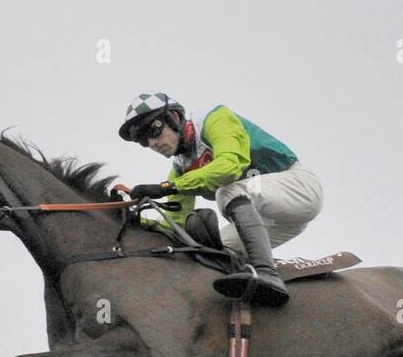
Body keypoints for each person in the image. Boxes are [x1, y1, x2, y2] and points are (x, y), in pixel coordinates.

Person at [118, 92, 323, 307]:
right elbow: (175, 223)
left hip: (301, 187)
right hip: (275, 220)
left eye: (154, 130)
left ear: (175, 118)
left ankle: (266, 272)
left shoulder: (215, 119)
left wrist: (166, 187)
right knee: (216, 253)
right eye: (143, 140)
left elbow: (230, 166)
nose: (152, 142)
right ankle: (255, 295)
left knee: (227, 192)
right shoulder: (180, 166)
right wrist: (134, 219)